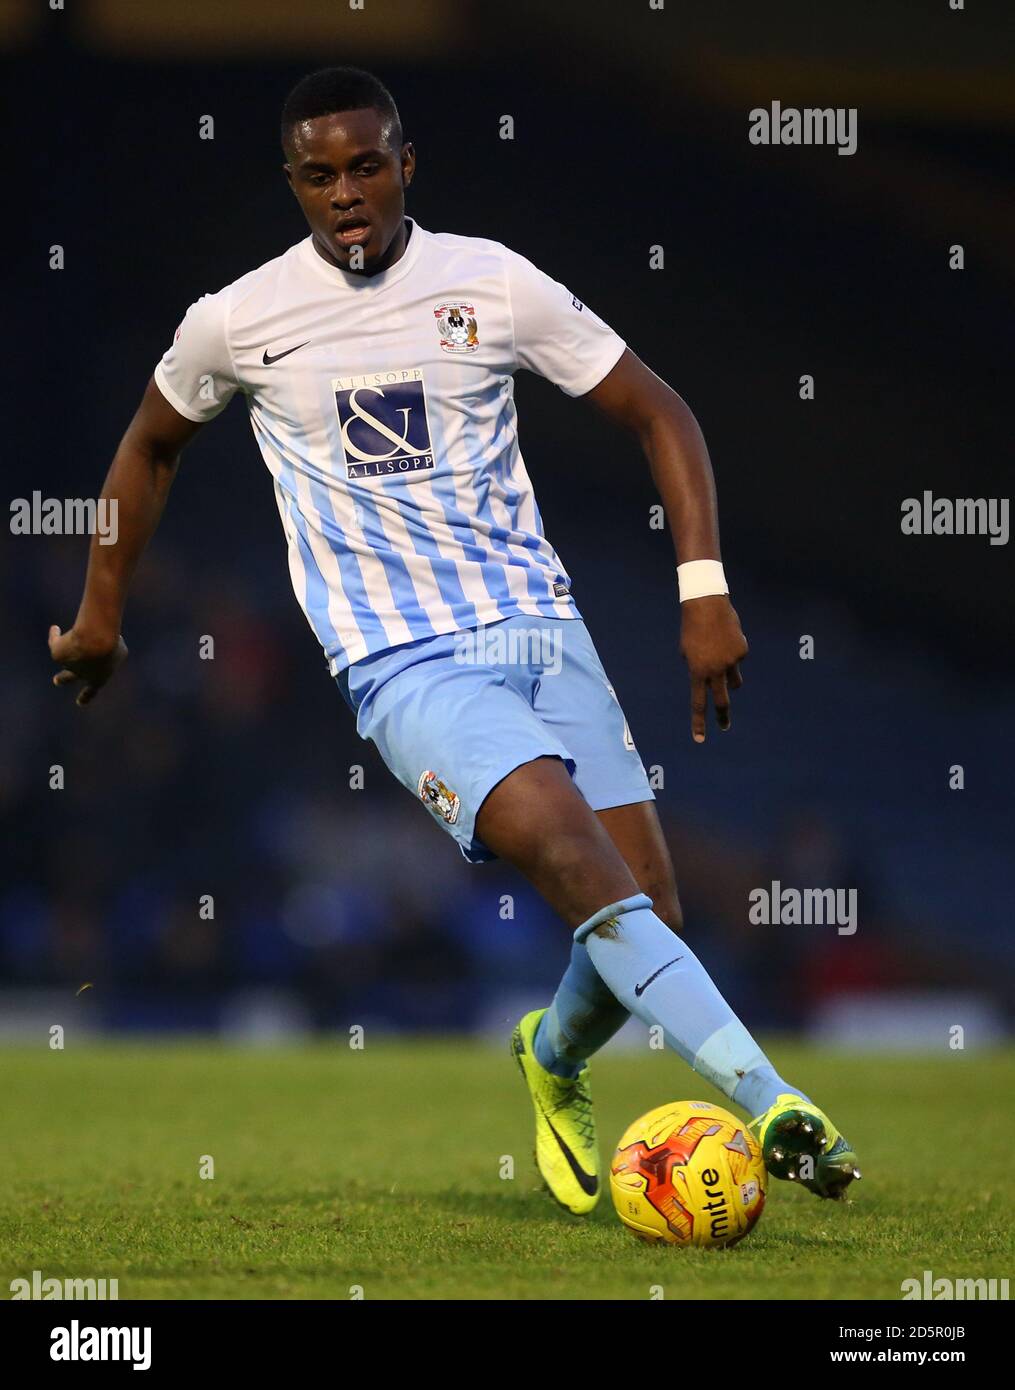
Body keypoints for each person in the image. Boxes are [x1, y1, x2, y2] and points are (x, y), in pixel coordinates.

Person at [49, 66, 860, 1217]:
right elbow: (148, 446)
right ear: (292, 182)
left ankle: (553, 1058)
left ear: (404, 163)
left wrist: (702, 591)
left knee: (651, 912)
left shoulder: (492, 281)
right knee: (568, 850)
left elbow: (658, 411)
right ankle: (773, 1099)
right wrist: (97, 615)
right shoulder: (235, 320)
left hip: (541, 629)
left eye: (365, 166)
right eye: (318, 175)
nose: (345, 193)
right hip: (402, 663)